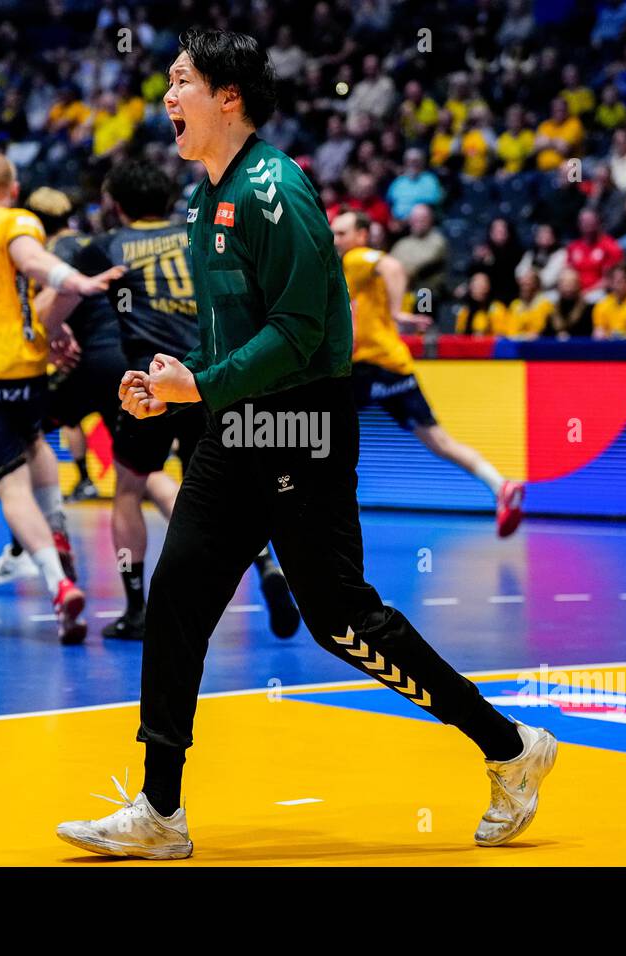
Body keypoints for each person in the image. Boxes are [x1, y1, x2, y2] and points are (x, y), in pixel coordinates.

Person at [55, 29, 556, 860]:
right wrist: (174, 381)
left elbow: (299, 333)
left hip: (302, 429)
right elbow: (234, 338)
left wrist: (204, 386)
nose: (166, 97)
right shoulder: (202, 198)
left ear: (228, 98)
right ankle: (160, 810)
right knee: (178, 597)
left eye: (180, 81)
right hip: (234, 430)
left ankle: (508, 748)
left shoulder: (274, 191)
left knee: (342, 619)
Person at [78, 159, 301, 641]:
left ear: (116, 204)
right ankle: (265, 565)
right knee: (228, 489)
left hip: (155, 384)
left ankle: (136, 607)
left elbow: (66, 296)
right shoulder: (198, 232)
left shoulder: (107, 247)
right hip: (209, 375)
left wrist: (51, 334)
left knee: (129, 491)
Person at [0, 153, 124, 643]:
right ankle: (56, 526)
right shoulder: (16, 219)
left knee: (11, 488)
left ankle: (57, 585)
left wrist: (63, 287)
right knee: (35, 441)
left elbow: (8, 281)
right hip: (21, 365)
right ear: (12, 188)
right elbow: (32, 264)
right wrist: (75, 284)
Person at [332, 210, 525, 532]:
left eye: (341, 233)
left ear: (361, 236)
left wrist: (396, 312)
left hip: (369, 367)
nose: (335, 239)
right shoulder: (349, 271)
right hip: (395, 367)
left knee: (313, 425)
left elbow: (393, 266)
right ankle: (501, 485)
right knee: (439, 441)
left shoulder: (356, 258)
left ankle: (319, 506)